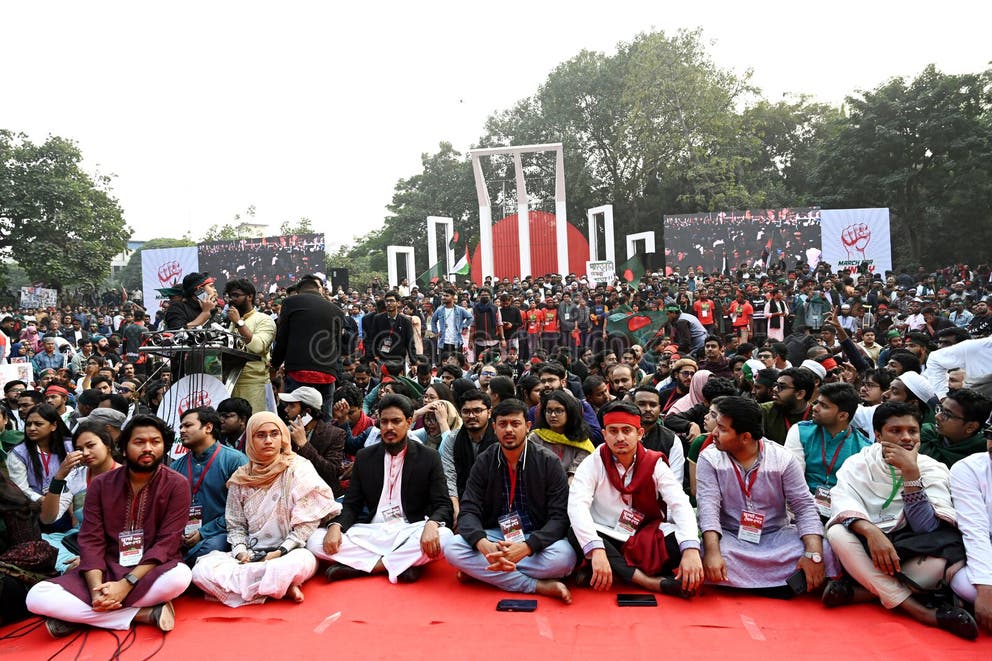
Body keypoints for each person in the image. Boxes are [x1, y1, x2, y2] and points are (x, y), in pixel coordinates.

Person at [26, 415, 193, 637]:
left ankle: (81, 616)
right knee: (37, 596)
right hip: (108, 567)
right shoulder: (101, 485)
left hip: (150, 569)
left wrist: (125, 585)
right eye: (139, 442)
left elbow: (167, 543)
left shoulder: (177, 484)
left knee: (181, 577)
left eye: (155, 442)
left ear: (164, 447)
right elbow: (91, 540)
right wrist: (96, 591)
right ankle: (143, 614)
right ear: (123, 448)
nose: (148, 448)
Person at [824, 402, 977, 639]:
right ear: (877, 435)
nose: (906, 438)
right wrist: (872, 533)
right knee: (836, 533)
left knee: (946, 553)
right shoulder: (858, 464)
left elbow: (926, 528)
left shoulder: (932, 468)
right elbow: (843, 503)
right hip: (870, 546)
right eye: (896, 431)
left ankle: (865, 592)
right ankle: (919, 610)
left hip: (911, 547)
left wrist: (911, 474)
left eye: (912, 431)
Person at [191, 412, 338, 607]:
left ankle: (263, 586)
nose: (268, 440)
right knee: (201, 571)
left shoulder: (298, 468)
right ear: (250, 440)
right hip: (251, 554)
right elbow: (235, 525)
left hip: (290, 551)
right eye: (260, 435)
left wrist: (277, 553)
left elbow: (307, 524)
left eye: (274, 434)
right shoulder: (240, 477)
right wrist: (240, 552)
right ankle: (280, 588)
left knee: (293, 565)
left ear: (283, 437)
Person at [307, 394, 453, 583]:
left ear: (408, 422)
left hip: (409, 530)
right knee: (315, 540)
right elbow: (352, 504)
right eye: (384, 422)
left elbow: (443, 504)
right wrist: (336, 526)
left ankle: (368, 568)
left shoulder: (428, 457)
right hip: (372, 530)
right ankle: (402, 565)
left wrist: (432, 525)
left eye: (396, 421)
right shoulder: (365, 457)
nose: (389, 427)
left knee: (446, 537)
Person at [697, 396, 834, 596]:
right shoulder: (709, 458)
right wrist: (712, 552)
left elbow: (804, 506)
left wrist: (813, 555)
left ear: (745, 437)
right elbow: (707, 507)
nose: (714, 433)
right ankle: (783, 585)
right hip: (731, 537)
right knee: (708, 552)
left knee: (825, 549)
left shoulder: (782, 458)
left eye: (723, 429)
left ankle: (746, 584)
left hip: (777, 536)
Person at [442, 399, 576, 602]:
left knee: (565, 558)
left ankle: (483, 572)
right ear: (494, 427)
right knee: (452, 547)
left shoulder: (548, 462)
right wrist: (483, 544)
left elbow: (560, 518)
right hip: (496, 536)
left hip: (535, 537)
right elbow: (469, 509)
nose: (509, 430)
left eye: (515, 424)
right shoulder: (485, 460)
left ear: (528, 426)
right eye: (503, 424)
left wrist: (527, 547)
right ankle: (534, 585)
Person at [568, 401, 703, 597]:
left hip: (643, 533)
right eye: (613, 431)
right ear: (604, 434)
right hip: (606, 534)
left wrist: (691, 548)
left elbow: (680, 503)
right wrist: (597, 550)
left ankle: (615, 569)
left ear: (639, 434)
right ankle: (648, 582)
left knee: (679, 542)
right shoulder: (593, 462)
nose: (620, 437)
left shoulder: (653, 462)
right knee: (575, 532)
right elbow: (577, 506)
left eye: (626, 430)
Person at [171, 407, 248, 565]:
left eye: (187, 425)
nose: (182, 431)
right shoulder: (176, 466)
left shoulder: (235, 460)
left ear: (208, 427)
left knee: (210, 548)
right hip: (184, 535)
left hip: (222, 533)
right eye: (180, 427)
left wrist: (203, 532)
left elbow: (243, 510)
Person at [784, 382, 872, 516]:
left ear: (842, 416)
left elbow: (857, 492)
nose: (815, 408)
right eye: (817, 402)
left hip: (842, 510)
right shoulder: (800, 431)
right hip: (798, 504)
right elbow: (793, 480)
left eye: (824, 406)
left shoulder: (865, 447)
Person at [271, 274, 344, 419]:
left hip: (299, 370)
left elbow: (282, 337)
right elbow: (337, 346)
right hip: (328, 373)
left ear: (299, 290)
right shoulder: (337, 310)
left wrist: (275, 363)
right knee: (324, 418)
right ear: (319, 289)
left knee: (295, 416)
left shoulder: (291, 302)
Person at [948, 435, 992, 634]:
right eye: (991, 435)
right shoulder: (968, 469)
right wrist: (986, 587)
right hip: (976, 556)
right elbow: (975, 530)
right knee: (967, 585)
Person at [280, 386, 347, 496]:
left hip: (322, 495)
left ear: (307, 412)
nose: (286, 410)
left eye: (291, 406)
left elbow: (331, 471)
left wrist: (304, 445)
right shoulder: (286, 432)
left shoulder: (335, 434)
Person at [224, 278, 276, 415]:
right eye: (230, 296)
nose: (232, 300)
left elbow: (258, 347)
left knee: (255, 427)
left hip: (255, 385)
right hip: (232, 383)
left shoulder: (264, 319)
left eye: (236, 295)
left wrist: (239, 323)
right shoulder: (232, 323)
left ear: (250, 296)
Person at [528, 389, 594, 479]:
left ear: (569, 412)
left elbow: (576, 473)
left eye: (559, 411)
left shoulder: (581, 441)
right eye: (549, 411)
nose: (553, 415)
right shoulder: (535, 438)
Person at [919, 388, 992, 468]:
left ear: (970, 427)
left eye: (947, 414)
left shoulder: (983, 455)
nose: (937, 416)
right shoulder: (925, 433)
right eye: (940, 409)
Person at [760, 367, 815, 444]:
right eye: (775, 385)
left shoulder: (817, 416)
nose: (775, 389)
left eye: (782, 387)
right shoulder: (764, 411)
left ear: (800, 394)